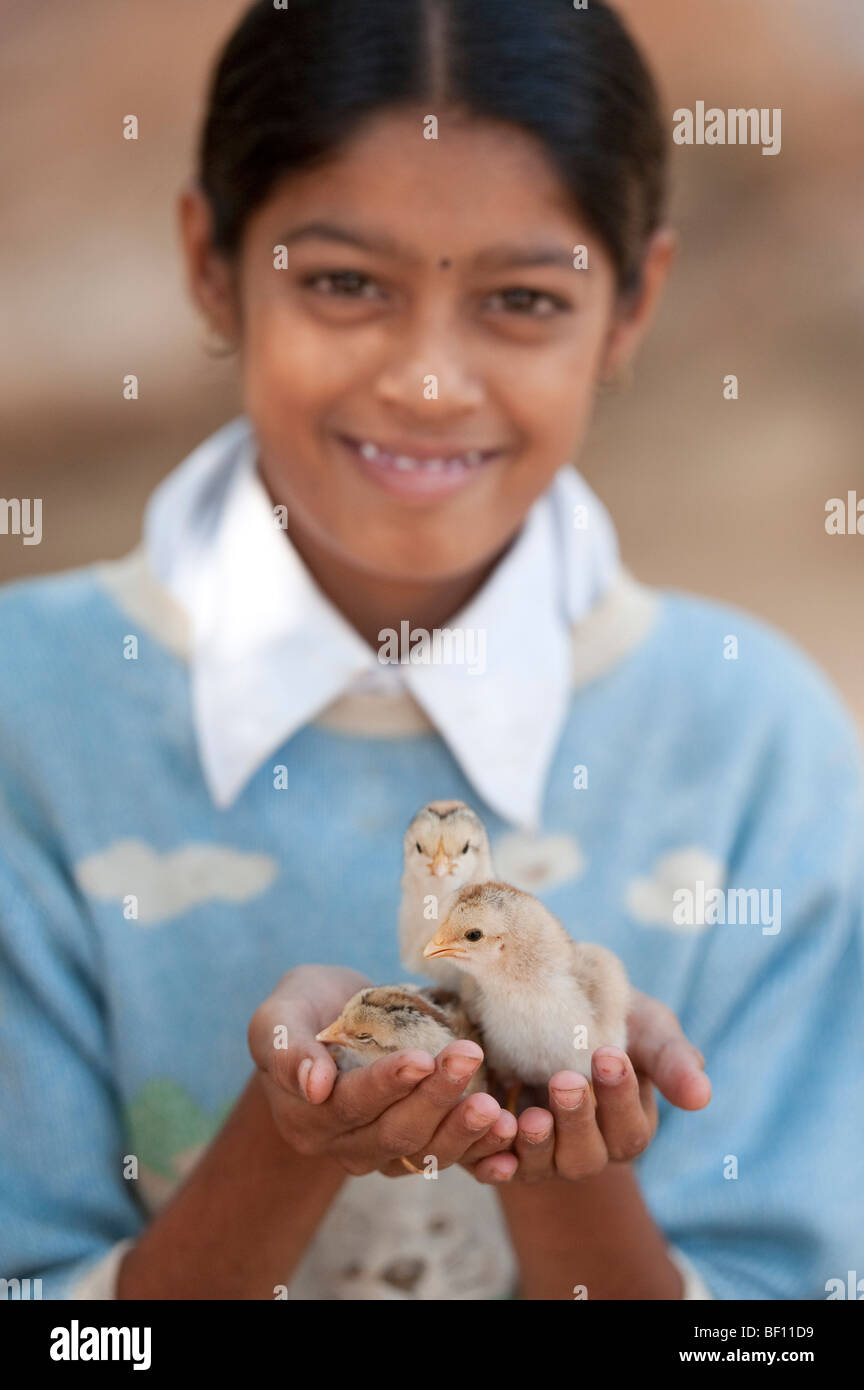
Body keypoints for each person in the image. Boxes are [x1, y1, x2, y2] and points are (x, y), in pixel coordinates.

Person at [1, 0, 861, 1302]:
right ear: (210, 262)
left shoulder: (759, 748)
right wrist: (286, 1142)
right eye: (345, 281)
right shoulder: (30, 716)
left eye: (524, 298)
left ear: (632, 308)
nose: (426, 380)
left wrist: (567, 1153)